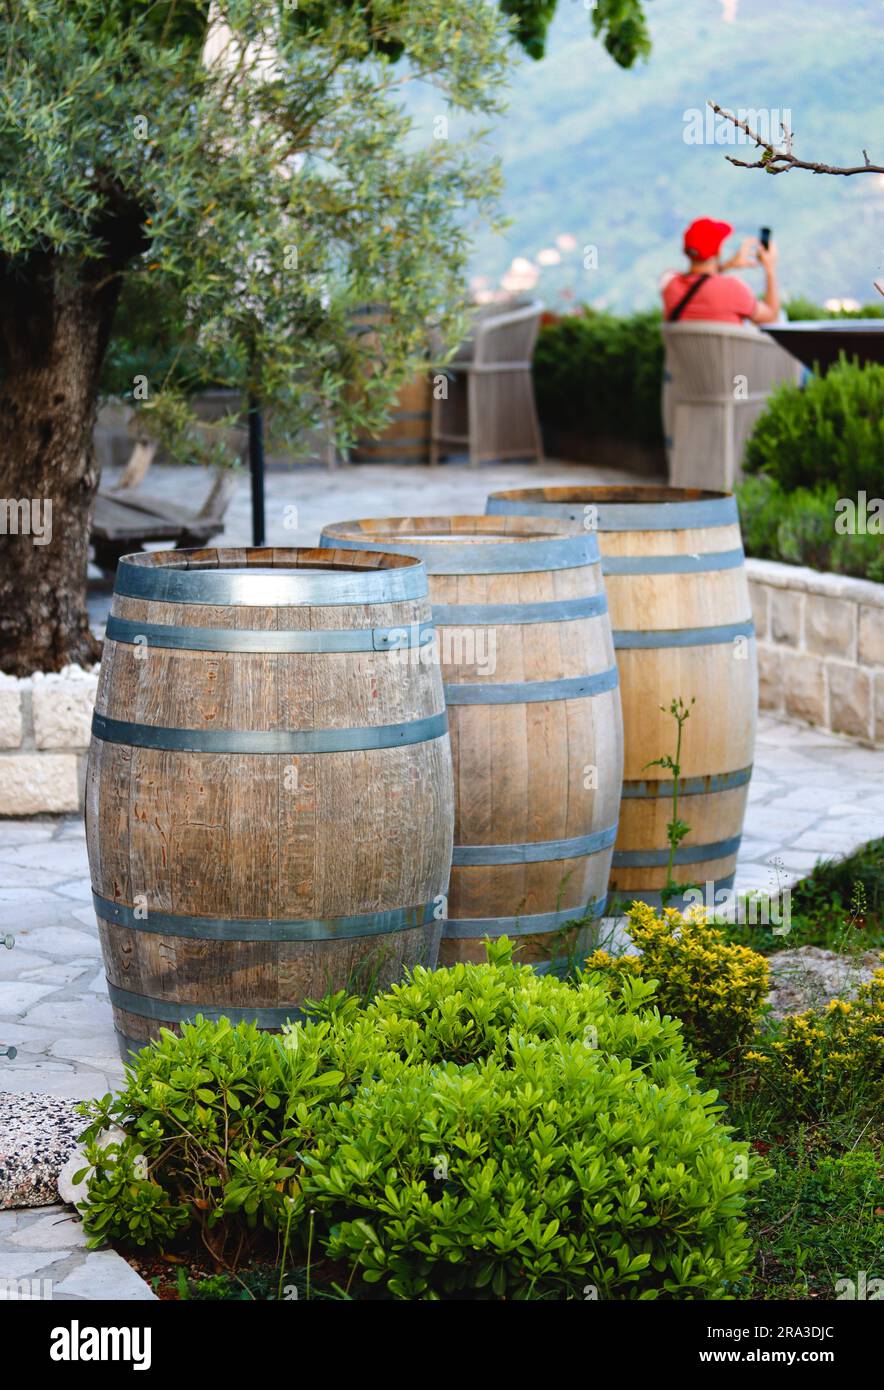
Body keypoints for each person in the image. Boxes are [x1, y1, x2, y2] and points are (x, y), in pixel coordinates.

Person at [661, 218, 780, 325]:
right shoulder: (732, 288)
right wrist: (770, 269)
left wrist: (728, 265)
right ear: (718, 252)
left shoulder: (670, 285)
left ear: (685, 251)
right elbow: (771, 317)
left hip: (684, 350)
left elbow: (700, 279)